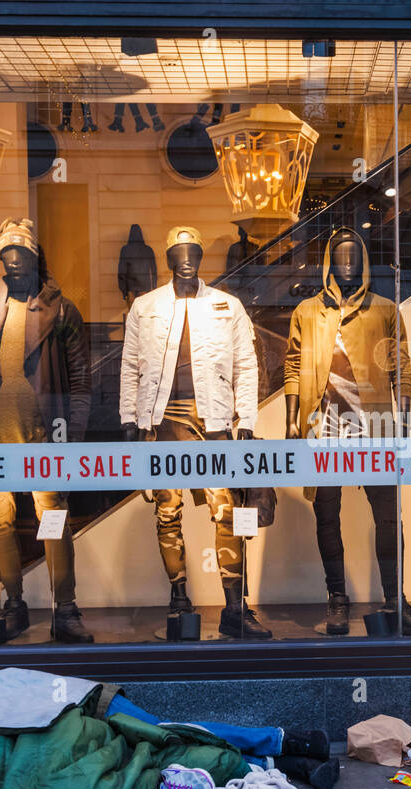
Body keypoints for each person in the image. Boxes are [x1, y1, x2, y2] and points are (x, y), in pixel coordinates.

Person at [120, 225, 270, 639]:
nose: (187, 258)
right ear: (167, 258)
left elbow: (246, 363)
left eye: (194, 251)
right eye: (179, 252)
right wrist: (129, 420)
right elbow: (130, 365)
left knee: (225, 509)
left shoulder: (227, 305)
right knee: (167, 510)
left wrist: (247, 420)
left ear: (202, 257)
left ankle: (235, 607)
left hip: (214, 421)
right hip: (163, 420)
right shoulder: (145, 306)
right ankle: (179, 600)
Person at [284, 226, 411, 636]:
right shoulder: (308, 312)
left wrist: (402, 421)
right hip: (323, 425)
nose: (347, 263)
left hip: (375, 427)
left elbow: (401, 367)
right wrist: (291, 418)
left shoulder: (385, 309)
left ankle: (395, 600)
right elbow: (293, 366)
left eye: (354, 256)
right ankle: (337, 600)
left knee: (388, 516)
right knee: (326, 514)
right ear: (330, 262)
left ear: (364, 263)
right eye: (340, 255)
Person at [0, 672, 340, 789]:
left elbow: (10, 687)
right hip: (72, 734)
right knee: (171, 756)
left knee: (168, 735)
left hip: (84, 707)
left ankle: (283, 739)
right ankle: (285, 766)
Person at [0, 218, 94, 643]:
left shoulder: (62, 308)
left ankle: (65, 608)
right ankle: (13, 601)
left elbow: (80, 379)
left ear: (35, 258)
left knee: (52, 516)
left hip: (44, 430)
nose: (14, 267)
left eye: (22, 260)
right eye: (7, 261)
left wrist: (73, 433)